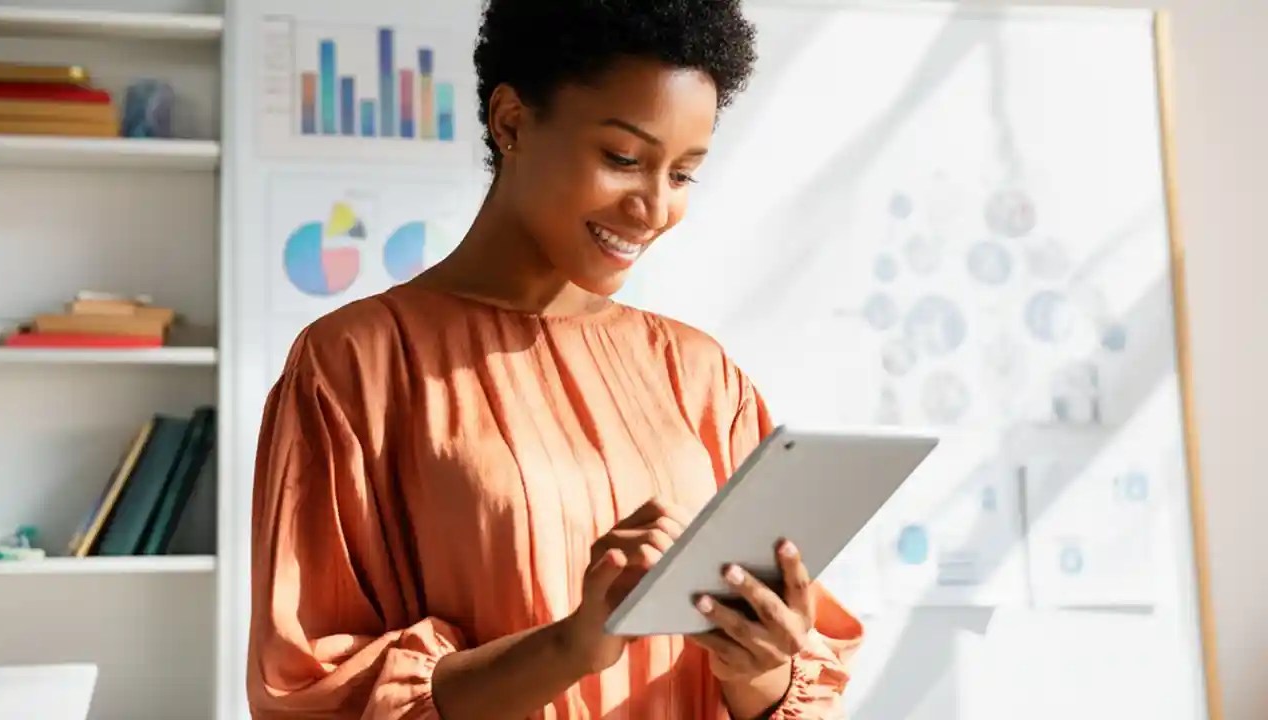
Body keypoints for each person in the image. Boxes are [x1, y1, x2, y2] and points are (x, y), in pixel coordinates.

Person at [245, 0, 864, 717]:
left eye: (683, 174)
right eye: (624, 159)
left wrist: (758, 671)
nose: (654, 207)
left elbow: (801, 683)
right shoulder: (355, 364)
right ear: (510, 122)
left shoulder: (703, 375)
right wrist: (571, 646)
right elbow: (310, 689)